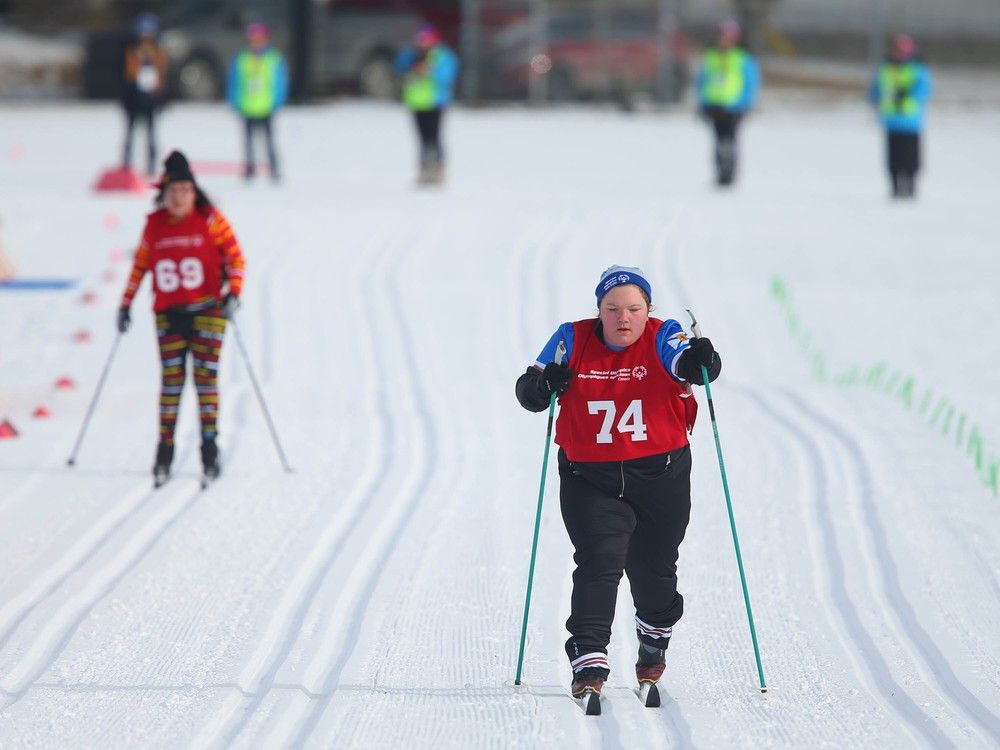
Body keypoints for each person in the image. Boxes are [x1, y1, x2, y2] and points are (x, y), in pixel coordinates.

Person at [515, 266, 721, 703]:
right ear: (599, 310)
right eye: (612, 309)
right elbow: (529, 391)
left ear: (649, 310)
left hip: (660, 475)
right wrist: (543, 385)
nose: (623, 318)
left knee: (654, 572)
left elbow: (687, 363)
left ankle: (653, 639)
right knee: (598, 561)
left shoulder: (665, 336)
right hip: (591, 477)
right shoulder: (571, 338)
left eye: (633, 309)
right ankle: (589, 659)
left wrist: (701, 361)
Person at [117, 151, 246, 487]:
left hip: (209, 310)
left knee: (206, 380)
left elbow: (235, 257)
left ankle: (209, 447)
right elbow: (141, 265)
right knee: (172, 383)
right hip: (169, 313)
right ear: (165, 193)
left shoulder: (210, 220)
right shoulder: (154, 224)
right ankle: (165, 449)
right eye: (174, 191)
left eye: (186, 191)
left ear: (195, 192)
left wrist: (233, 292)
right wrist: (125, 303)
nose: (180, 198)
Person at [694, 20, 760, 187]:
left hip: (734, 107)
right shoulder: (711, 56)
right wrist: (702, 102)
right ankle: (719, 172)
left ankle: (729, 173)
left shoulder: (743, 59)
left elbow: (751, 83)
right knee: (718, 140)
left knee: (729, 140)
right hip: (713, 105)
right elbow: (702, 81)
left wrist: (746, 104)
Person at [868, 34, 932, 199]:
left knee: (910, 157)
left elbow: (924, 90)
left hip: (910, 121)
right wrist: (874, 101)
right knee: (893, 158)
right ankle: (895, 187)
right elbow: (876, 89)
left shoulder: (917, 68)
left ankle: (911, 186)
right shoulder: (885, 68)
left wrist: (906, 97)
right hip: (891, 121)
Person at [394, 23, 459, 185]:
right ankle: (424, 170)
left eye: (426, 39)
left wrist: (429, 70)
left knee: (434, 137)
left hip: (435, 102)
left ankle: (437, 169)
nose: (423, 43)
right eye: (421, 40)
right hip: (416, 102)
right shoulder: (412, 54)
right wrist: (413, 66)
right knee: (422, 139)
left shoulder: (442, 55)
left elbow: (448, 74)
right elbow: (398, 66)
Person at [227, 22, 289, 182]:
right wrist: (234, 100)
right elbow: (234, 81)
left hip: (266, 106)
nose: (256, 41)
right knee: (248, 142)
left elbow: (281, 81)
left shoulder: (274, 58)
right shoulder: (242, 58)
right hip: (247, 106)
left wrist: (278, 101)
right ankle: (249, 169)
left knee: (269, 141)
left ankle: (274, 169)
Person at [121, 12, 167, 176]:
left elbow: (161, 76)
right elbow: (128, 75)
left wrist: (161, 98)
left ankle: (151, 167)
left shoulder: (158, 52)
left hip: (151, 99)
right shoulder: (132, 51)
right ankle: (125, 166)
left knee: (151, 134)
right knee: (130, 134)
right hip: (134, 98)